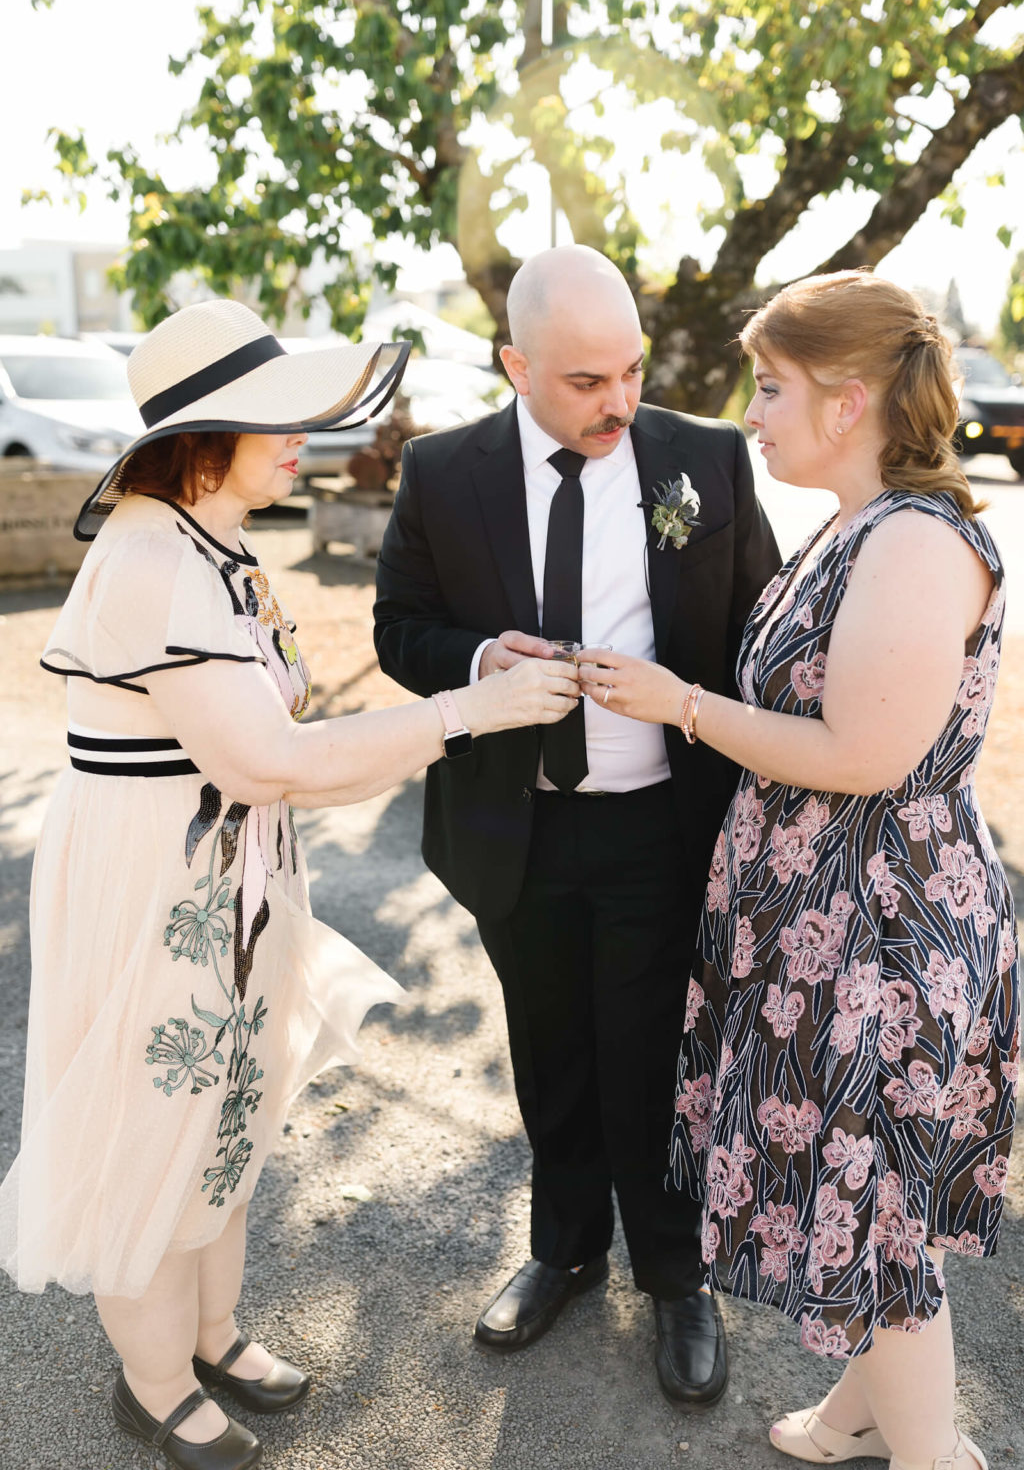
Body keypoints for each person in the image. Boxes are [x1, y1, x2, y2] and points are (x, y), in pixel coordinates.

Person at [0, 299, 580, 1470]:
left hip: (229, 878)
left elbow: (280, 738)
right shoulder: (157, 559)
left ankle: (208, 1335)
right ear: (201, 437)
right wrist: (469, 711)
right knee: (157, 1127)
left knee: (226, 1115)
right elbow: (269, 760)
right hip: (162, 884)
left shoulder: (213, 540)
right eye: (276, 419)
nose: (303, 436)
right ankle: (153, 1383)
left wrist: (468, 684)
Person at [574, 270, 1017, 1470]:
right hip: (826, 914)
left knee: (874, 1213)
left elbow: (864, 756)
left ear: (847, 401)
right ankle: (856, 1413)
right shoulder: (857, 523)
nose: (750, 413)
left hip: (879, 927)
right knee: (849, 1176)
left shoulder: (915, 541)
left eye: (771, 389)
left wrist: (684, 708)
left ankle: (936, 1455)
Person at [373, 245, 781, 1403]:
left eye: (631, 373)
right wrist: (477, 658)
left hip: (664, 821)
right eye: (587, 382)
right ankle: (561, 1250)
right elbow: (398, 625)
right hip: (517, 827)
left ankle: (674, 1275)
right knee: (548, 1044)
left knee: (651, 1053)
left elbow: (761, 626)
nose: (619, 403)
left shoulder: (702, 458)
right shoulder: (442, 473)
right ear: (515, 364)